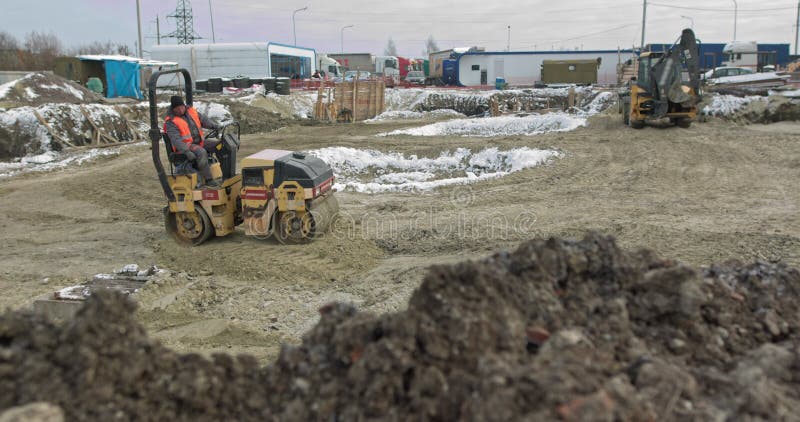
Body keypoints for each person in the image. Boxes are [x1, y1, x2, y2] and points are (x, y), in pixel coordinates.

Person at [163, 95, 222, 188]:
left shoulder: (191, 111)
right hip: (187, 146)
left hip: (200, 142)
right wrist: (186, 151)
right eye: (177, 109)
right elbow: (176, 140)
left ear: (184, 105)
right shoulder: (171, 122)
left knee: (221, 145)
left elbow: (204, 120)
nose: (180, 110)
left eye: (181, 107)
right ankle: (208, 180)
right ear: (173, 109)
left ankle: (224, 173)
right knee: (201, 152)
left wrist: (215, 126)